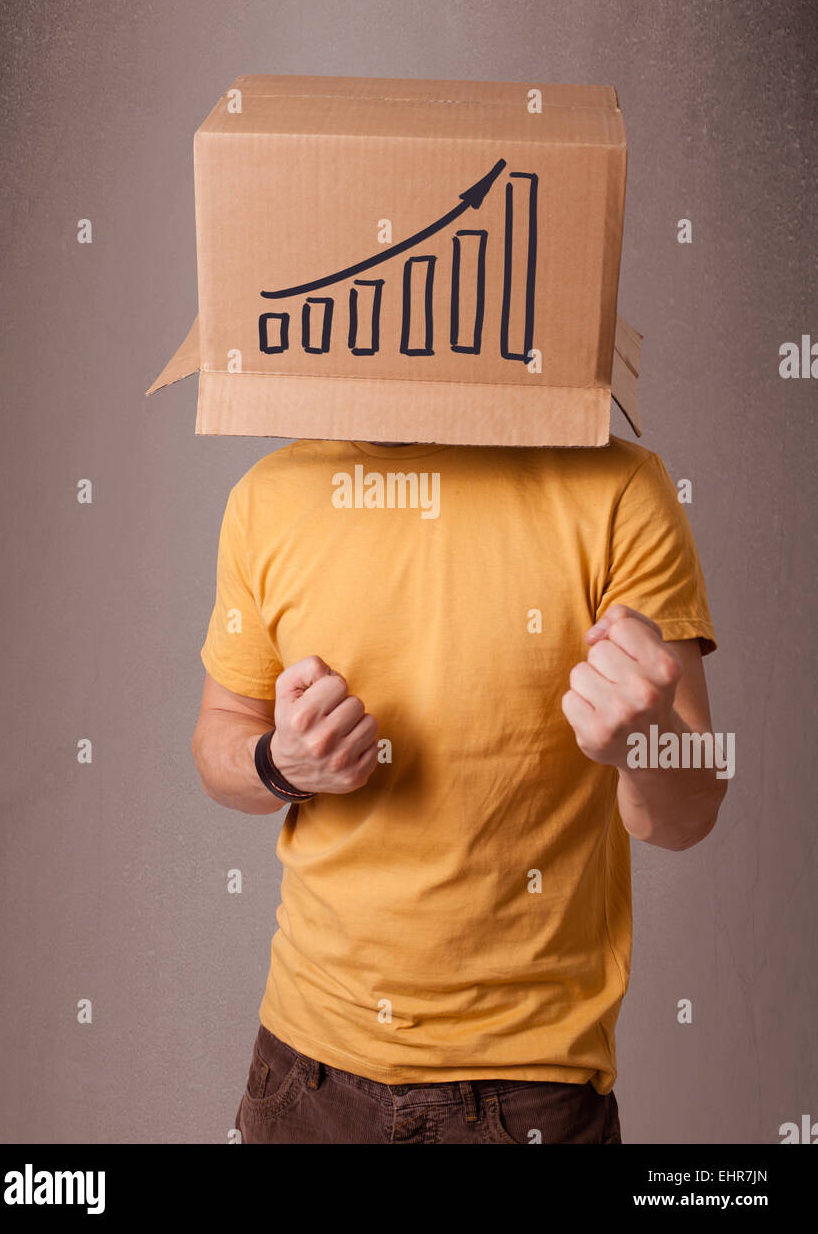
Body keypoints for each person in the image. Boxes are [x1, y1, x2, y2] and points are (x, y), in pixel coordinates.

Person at [191, 435, 725, 1144]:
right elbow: (219, 736)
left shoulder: (619, 485)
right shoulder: (269, 494)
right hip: (306, 1073)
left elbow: (688, 816)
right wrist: (279, 763)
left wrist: (644, 737)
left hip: (530, 1091)